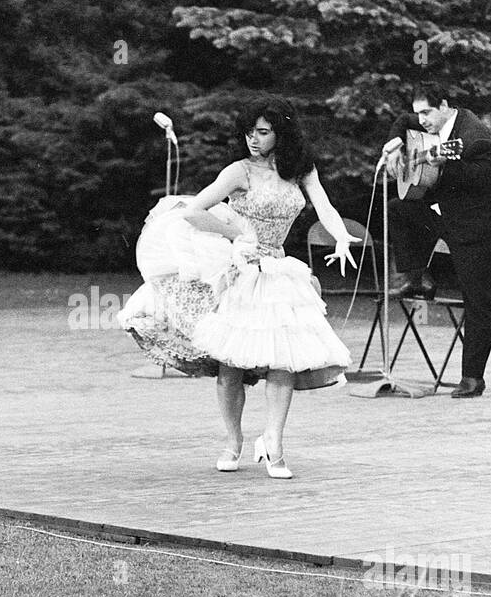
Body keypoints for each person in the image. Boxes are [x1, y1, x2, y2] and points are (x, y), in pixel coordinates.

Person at [118, 97, 358, 478]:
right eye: (249, 132)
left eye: (263, 132)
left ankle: (274, 443)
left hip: (278, 269)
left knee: (283, 361)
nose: (254, 139)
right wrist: (236, 234)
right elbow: (194, 211)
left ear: (282, 133)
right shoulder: (239, 171)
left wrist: (342, 237)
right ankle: (233, 440)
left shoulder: (299, 169)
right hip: (239, 269)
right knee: (232, 363)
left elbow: (324, 205)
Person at [383, 83, 491, 398]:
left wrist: (444, 165)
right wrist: (396, 143)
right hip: (445, 213)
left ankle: (472, 378)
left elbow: (477, 179)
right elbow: (403, 121)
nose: (421, 120)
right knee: (399, 208)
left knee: (477, 300)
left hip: (478, 224)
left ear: (444, 105)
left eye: (427, 112)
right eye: (419, 112)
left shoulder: (475, 137)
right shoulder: (428, 121)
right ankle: (418, 278)